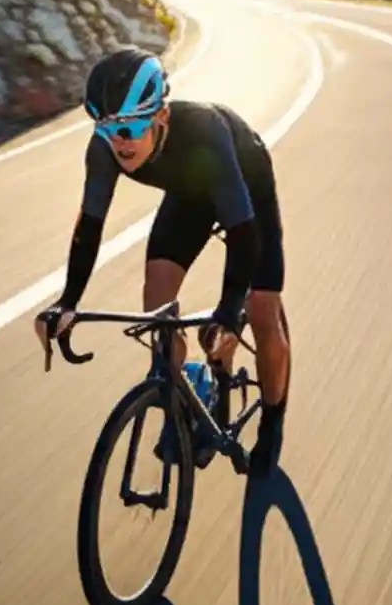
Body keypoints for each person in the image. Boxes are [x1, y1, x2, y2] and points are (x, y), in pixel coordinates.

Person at [33, 46, 290, 478]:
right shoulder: (105, 149)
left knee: (262, 311)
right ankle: (181, 404)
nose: (121, 142)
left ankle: (272, 422)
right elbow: (89, 225)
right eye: (107, 128)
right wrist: (69, 301)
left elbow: (243, 234)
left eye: (132, 127)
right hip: (189, 195)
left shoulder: (205, 132)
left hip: (246, 191)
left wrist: (229, 312)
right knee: (158, 306)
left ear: (161, 117)